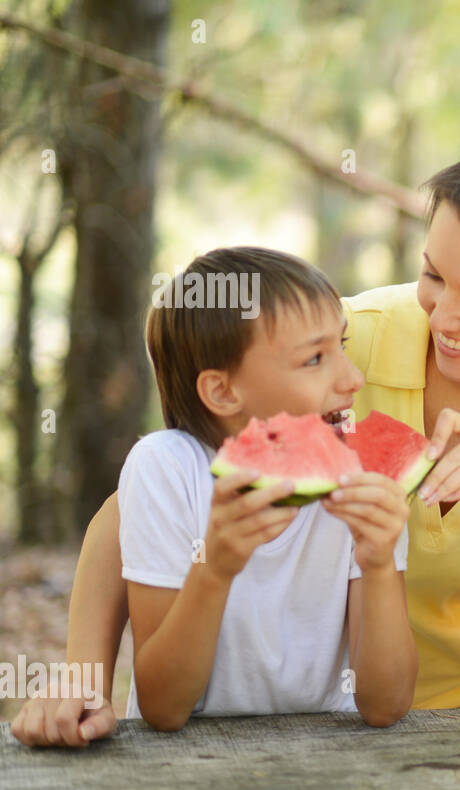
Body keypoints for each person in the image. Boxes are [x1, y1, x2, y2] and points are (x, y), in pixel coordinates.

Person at [12, 141, 460, 746]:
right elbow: (140, 504)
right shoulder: (343, 342)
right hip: (329, 713)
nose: (441, 318)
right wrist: (82, 677)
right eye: (433, 275)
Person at [120, 247, 413, 730]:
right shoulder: (165, 469)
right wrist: (214, 570)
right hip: (187, 767)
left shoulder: (362, 474)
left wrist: (379, 564)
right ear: (222, 392)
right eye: (315, 358)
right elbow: (164, 708)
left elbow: (385, 705)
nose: (353, 379)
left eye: (342, 345)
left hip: (332, 763)